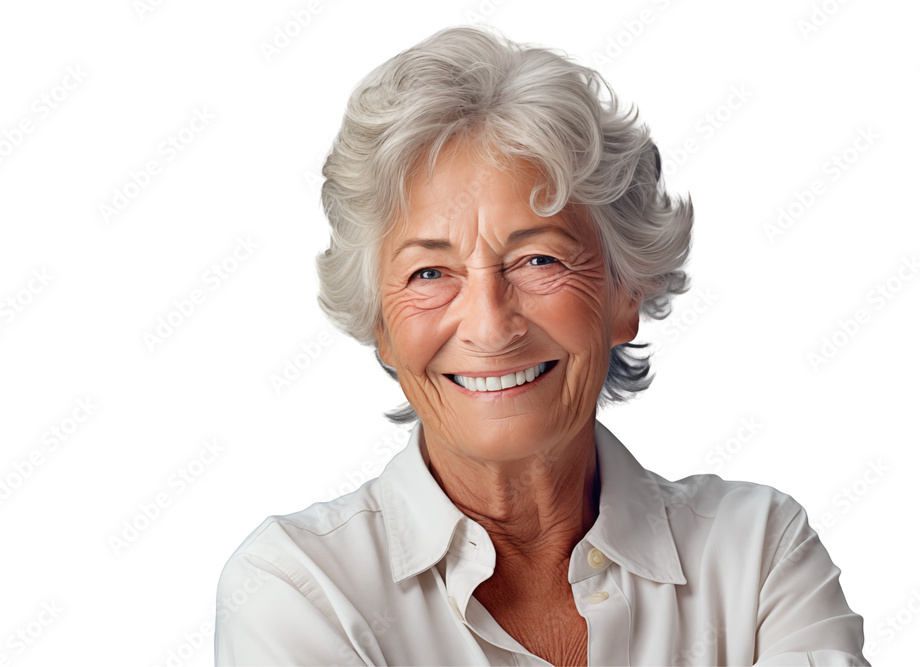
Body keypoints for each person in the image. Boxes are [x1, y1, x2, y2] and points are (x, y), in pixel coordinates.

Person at [215, 25, 868, 666]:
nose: (490, 326)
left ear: (625, 294)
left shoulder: (757, 556)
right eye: (430, 273)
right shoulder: (300, 590)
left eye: (539, 260)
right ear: (381, 327)